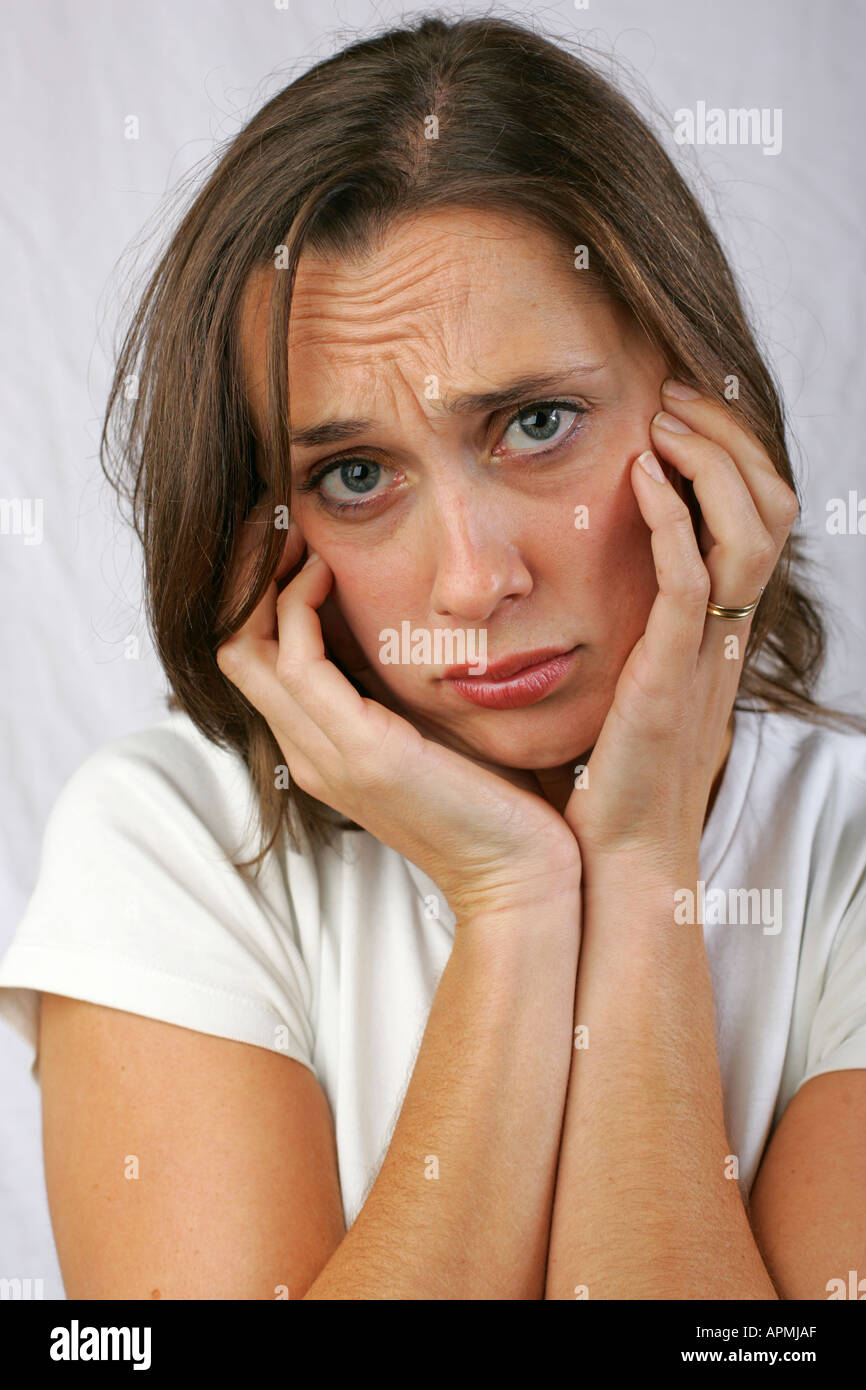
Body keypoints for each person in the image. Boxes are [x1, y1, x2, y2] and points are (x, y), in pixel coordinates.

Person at [1, 13, 865, 1301]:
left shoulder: (846, 849)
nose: (474, 580)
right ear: (263, 532)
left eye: (536, 423)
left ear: (705, 407)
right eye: (354, 476)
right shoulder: (171, 843)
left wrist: (640, 875)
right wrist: (514, 904)